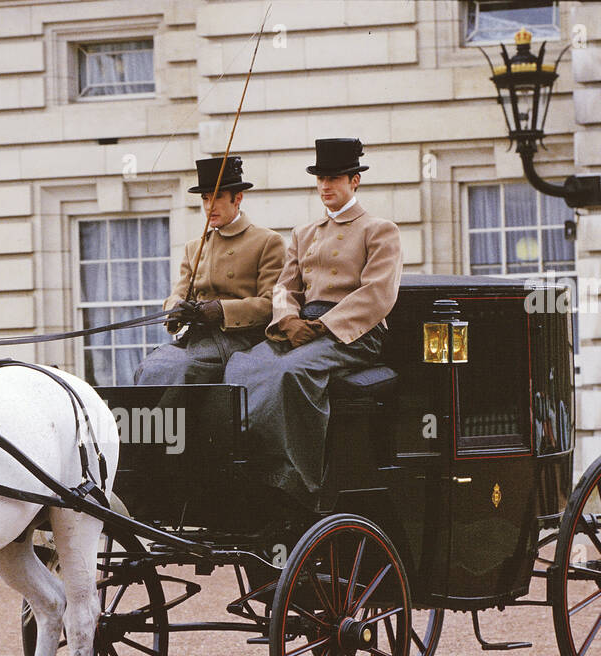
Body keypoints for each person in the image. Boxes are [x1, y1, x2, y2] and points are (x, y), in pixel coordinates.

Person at [223, 138, 403, 513]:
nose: (325, 186)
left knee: (291, 372)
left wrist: (323, 326)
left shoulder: (379, 230)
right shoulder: (304, 233)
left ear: (355, 181)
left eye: (334, 178)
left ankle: (296, 478)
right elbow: (284, 287)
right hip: (300, 328)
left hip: (354, 334)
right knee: (242, 365)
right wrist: (288, 320)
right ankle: (247, 462)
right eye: (321, 178)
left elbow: (377, 294)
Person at [134, 155, 285, 385]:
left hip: (239, 341)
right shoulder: (194, 247)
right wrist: (176, 308)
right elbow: (179, 293)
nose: (208, 206)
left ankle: (171, 422)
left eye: (218, 197)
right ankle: (150, 423)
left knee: (177, 369)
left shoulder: (267, 241)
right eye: (205, 198)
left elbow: (270, 304)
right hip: (197, 339)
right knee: (150, 367)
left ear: (238, 198)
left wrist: (222, 310)